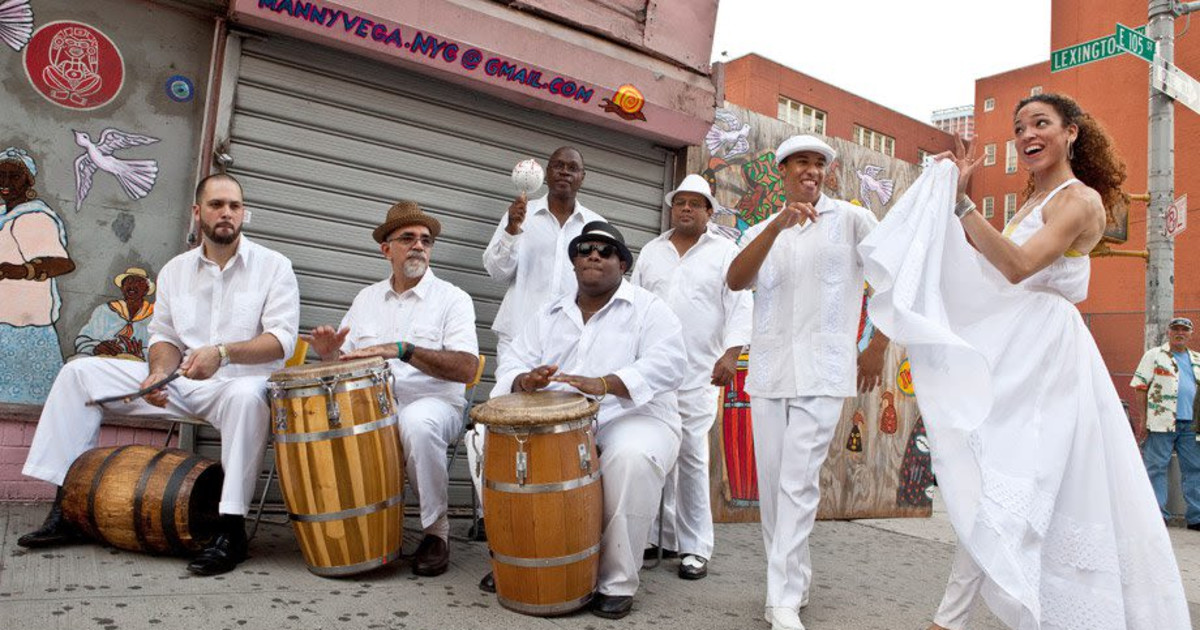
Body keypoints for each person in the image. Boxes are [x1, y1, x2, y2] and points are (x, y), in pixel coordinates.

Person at [857, 93, 1191, 629]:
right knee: (992, 481)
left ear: (1072, 132)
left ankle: (951, 621)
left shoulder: (1079, 201)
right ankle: (950, 620)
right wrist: (948, 206)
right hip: (1015, 347)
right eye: (1019, 128)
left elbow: (1016, 267)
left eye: (1041, 123)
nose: (1028, 134)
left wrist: (963, 205)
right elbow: (988, 269)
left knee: (1010, 483)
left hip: (1048, 358)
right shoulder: (1034, 200)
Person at [19, 173, 300, 577]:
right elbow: (164, 336)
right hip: (183, 381)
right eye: (217, 204)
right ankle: (67, 508)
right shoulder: (174, 271)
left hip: (239, 383)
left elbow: (282, 341)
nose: (227, 213)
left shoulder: (274, 267)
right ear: (197, 212)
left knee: (246, 397)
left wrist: (222, 353)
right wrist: (157, 374)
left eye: (235, 206)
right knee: (79, 373)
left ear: (243, 214)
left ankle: (231, 528)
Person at [726, 135, 889, 630]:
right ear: (783, 171)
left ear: (828, 173)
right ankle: (793, 580)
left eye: (820, 163)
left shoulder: (854, 220)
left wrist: (877, 344)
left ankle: (780, 601)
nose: (812, 170)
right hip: (771, 371)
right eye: (802, 162)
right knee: (776, 487)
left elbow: (893, 276)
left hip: (824, 370)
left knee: (797, 482)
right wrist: (777, 226)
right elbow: (735, 280)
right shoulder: (761, 229)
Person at [488, 220, 686, 619]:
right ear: (574, 263)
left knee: (629, 458)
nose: (593, 255)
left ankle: (615, 580)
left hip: (633, 416)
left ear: (623, 264)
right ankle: (521, 559)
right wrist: (525, 379)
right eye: (584, 250)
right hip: (558, 422)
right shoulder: (549, 312)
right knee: (485, 444)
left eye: (605, 250)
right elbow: (512, 361)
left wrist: (605, 383)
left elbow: (670, 364)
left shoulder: (649, 309)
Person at [304, 200, 479, 577]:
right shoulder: (366, 299)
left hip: (435, 405)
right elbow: (339, 370)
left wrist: (405, 350)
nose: (419, 246)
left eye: (426, 240)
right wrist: (329, 355)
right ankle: (354, 527)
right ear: (387, 249)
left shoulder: (453, 299)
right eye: (408, 238)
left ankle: (436, 531)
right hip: (372, 409)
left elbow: (467, 369)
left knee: (416, 422)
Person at [472, 146, 603, 539]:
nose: (565, 172)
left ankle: (557, 524)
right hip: (518, 338)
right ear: (546, 174)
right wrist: (512, 230)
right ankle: (495, 520)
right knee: (498, 429)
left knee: (561, 435)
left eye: (573, 168)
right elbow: (496, 271)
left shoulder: (594, 223)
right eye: (558, 166)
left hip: (567, 344)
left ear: (583, 177)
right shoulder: (521, 214)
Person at [631, 174, 753, 580]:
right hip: (651, 372)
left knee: (692, 457)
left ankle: (695, 547)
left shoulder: (724, 252)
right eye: (679, 202)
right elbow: (632, 307)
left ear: (708, 211)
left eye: (694, 203)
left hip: (700, 371)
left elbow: (740, 304)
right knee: (653, 453)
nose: (685, 208)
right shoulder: (651, 251)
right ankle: (655, 536)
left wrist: (732, 353)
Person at [0, 147, 75, 403]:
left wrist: (23, 270)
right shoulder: (3, 216)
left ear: (28, 181)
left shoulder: (33, 218)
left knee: (29, 404)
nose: (5, 183)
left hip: (23, 332)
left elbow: (62, 264)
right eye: (1, 175)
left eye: (14, 176)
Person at [1131, 317, 1200, 530]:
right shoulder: (1154, 356)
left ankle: (1196, 517)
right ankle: (1157, 515)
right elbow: (1140, 387)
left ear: (1190, 334)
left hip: (1191, 425)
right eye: (1176, 329)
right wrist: (1143, 419)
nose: (1180, 333)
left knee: (1195, 469)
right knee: (1156, 468)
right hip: (1161, 422)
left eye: (1184, 330)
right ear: (1169, 333)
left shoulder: (1197, 359)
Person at [73, 267, 155, 360]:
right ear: (122, 287)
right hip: (103, 360)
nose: (132, 286)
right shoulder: (104, 310)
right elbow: (83, 339)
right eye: (128, 281)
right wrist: (96, 347)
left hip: (137, 364)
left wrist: (141, 353)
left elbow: (163, 347)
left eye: (138, 282)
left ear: (146, 289)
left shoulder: (155, 315)